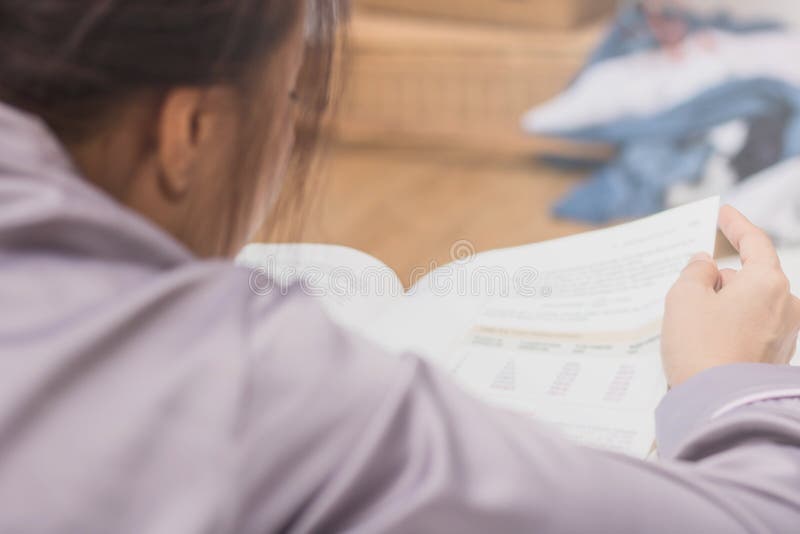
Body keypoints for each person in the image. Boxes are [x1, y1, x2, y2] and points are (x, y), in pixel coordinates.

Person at [0, 1, 799, 532]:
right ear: (190, 133)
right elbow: (755, 519)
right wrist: (728, 384)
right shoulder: (237, 383)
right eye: (288, 103)